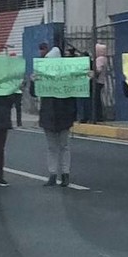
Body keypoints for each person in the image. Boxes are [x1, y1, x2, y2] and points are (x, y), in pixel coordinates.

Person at [32, 47, 78, 188]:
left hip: (62, 115)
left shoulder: (68, 77)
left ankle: (64, 174)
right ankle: (53, 174)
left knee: (62, 146)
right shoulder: (44, 77)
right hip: (50, 116)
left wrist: (87, 77)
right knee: (54, 147)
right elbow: (34, 93)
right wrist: (34, 81)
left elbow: (78, 89)